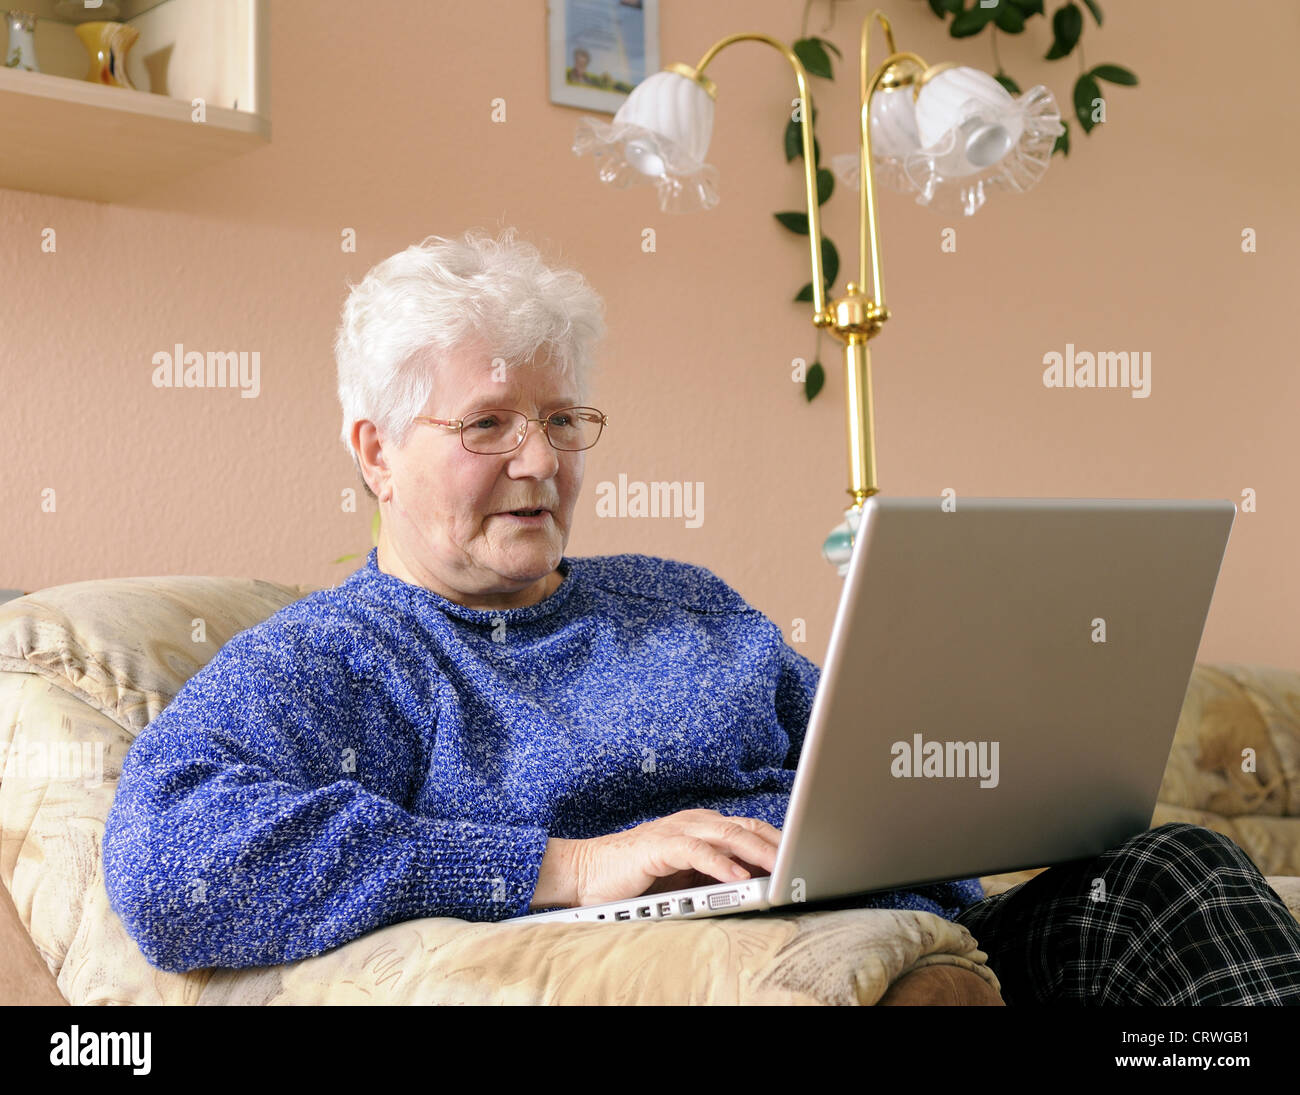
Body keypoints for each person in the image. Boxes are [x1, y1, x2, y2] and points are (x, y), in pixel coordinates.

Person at [101, 228, 1300, 1003]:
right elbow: (168, 866)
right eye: (487, 426)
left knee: (1174, 870)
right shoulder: (333, 658)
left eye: (564, 421)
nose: (538, 462)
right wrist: (565, 864)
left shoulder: (684, 599)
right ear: (373, 451)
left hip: (939, 940)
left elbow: (861, 774)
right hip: (742, 979)